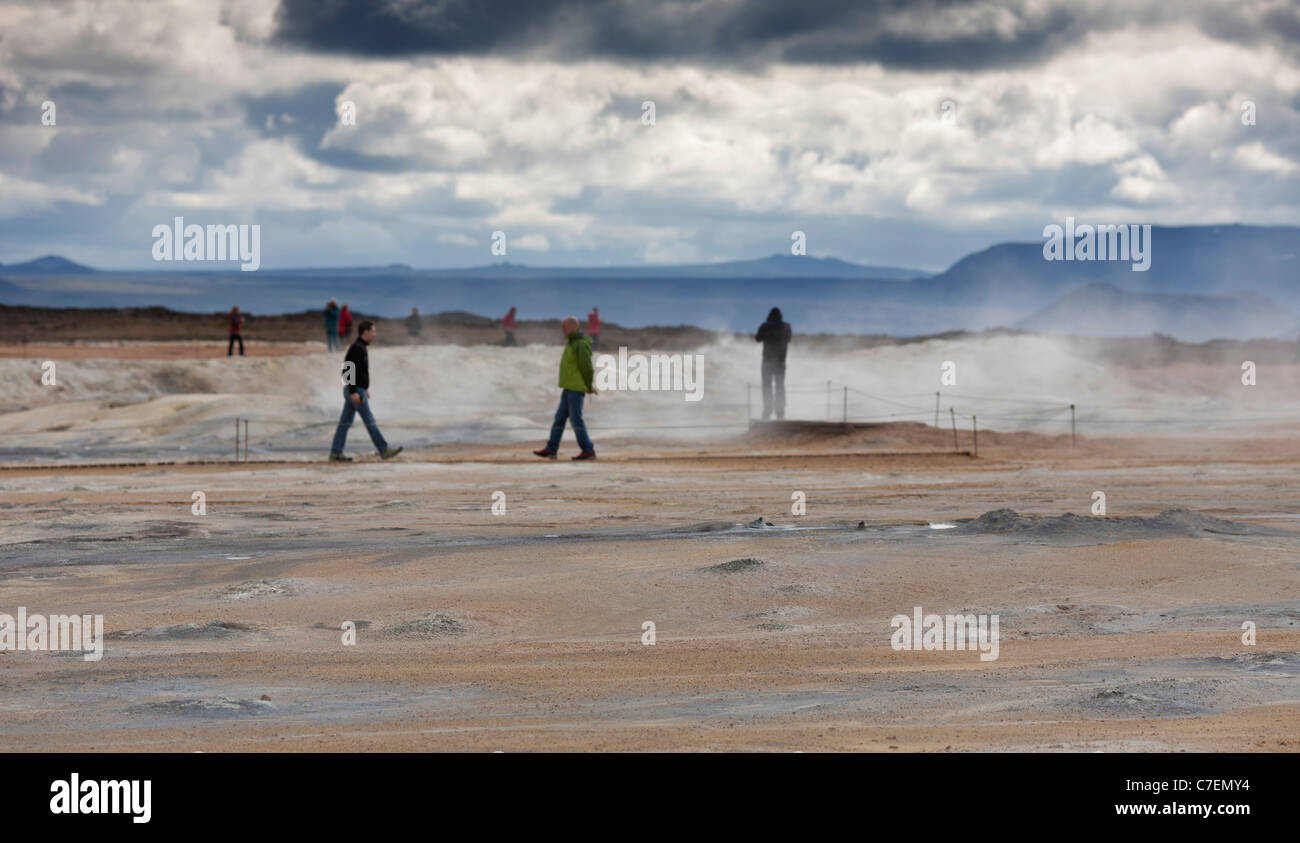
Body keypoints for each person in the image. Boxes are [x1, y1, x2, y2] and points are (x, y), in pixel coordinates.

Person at [329, 320, 403, 462]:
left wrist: (364, 388)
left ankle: (335, 453)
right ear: (366, 332)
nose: (375, 335)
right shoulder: (357, 347)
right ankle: (384, 450)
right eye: (373, 331)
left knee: (344, 423)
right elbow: (347, 368)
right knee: (370, 421)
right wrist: (353, 391)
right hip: (355, 391)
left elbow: (358, 371)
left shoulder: (361, 347)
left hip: (357, 389)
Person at [534, 316, 597, 461]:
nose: (562, 330)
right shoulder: (571, 343)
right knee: (559, 419)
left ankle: (588, 450)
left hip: (576, 389)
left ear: (573, 327)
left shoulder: (580, 344)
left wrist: (588, 386)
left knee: (576, 420)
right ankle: (551, 449)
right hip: (568, 388)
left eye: (564, 327)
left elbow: (586, 367)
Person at [755, 307, 792, 420]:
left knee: (767, 387)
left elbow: (757, 338)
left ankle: (768, 410)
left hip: (767, 360)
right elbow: (788, 339)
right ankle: (780, 412)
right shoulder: (786, 326)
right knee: (779, 386)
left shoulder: (765, 325)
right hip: (781, 361)